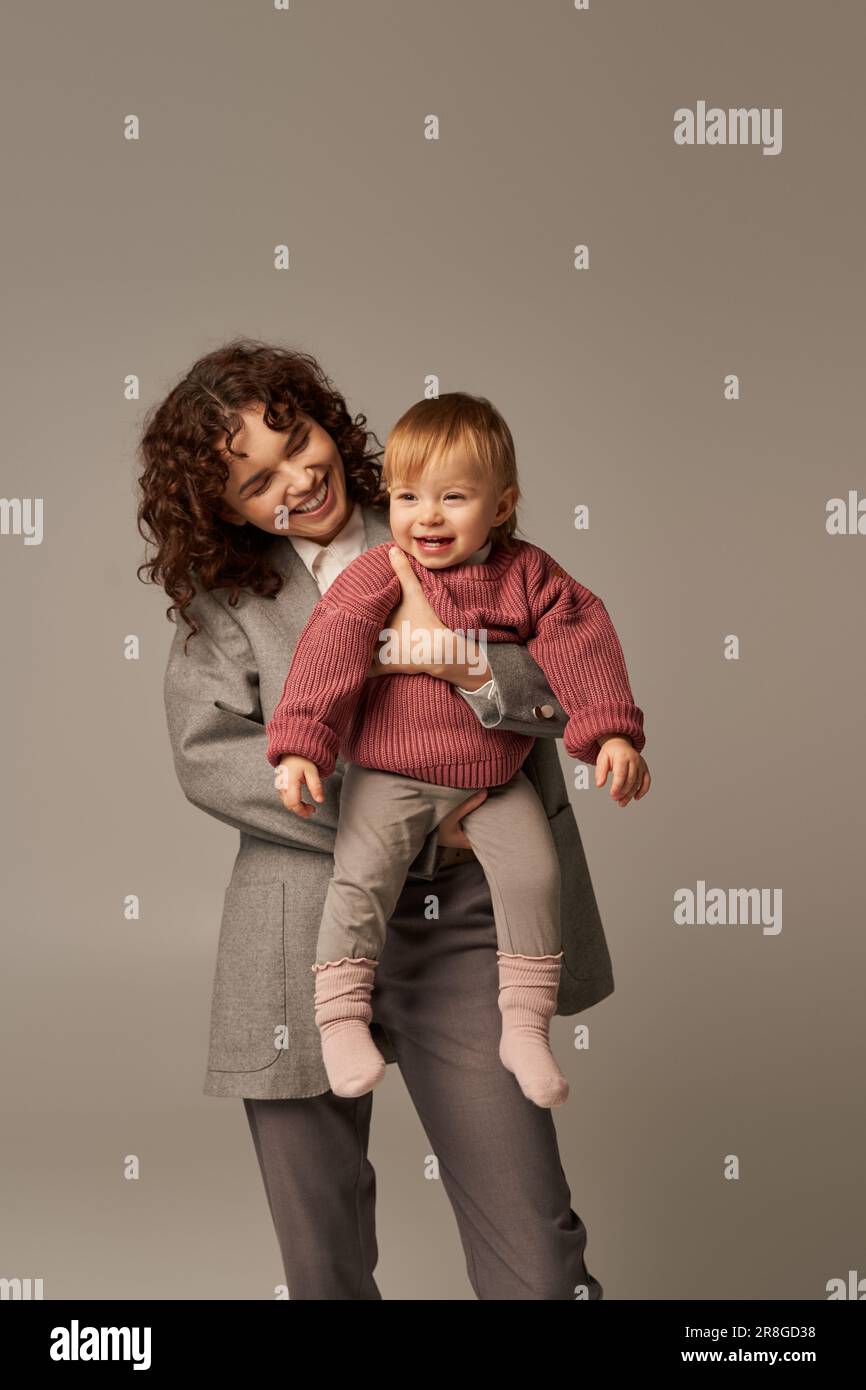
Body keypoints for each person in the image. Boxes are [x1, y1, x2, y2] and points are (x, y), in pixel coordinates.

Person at [137, 337, 635, 1299]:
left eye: (299, 442)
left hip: (470, 921)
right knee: (320, 1264)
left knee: (538, 1258)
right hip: (301, 932)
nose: (295, 480)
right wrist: (391, 823)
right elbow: (208, 757)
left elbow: (566, 677)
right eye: (255, 482)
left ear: (328, 419)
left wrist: (467, 664)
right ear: (223, 509)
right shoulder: (224, 606)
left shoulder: (449, 517)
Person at [266, 392, 649, 1109]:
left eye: (454, 497)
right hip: (391, 773)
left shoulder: (527, 574)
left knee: (536, 876)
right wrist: (302, 748)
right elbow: (329, 651)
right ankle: (342, 1017)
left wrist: (612, 731)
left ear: (501, 507)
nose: (427, 516)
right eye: (408, 496)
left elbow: (579, 639)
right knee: (361, 879)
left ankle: (525, 1025)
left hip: (491, 780)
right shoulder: (377, 572)